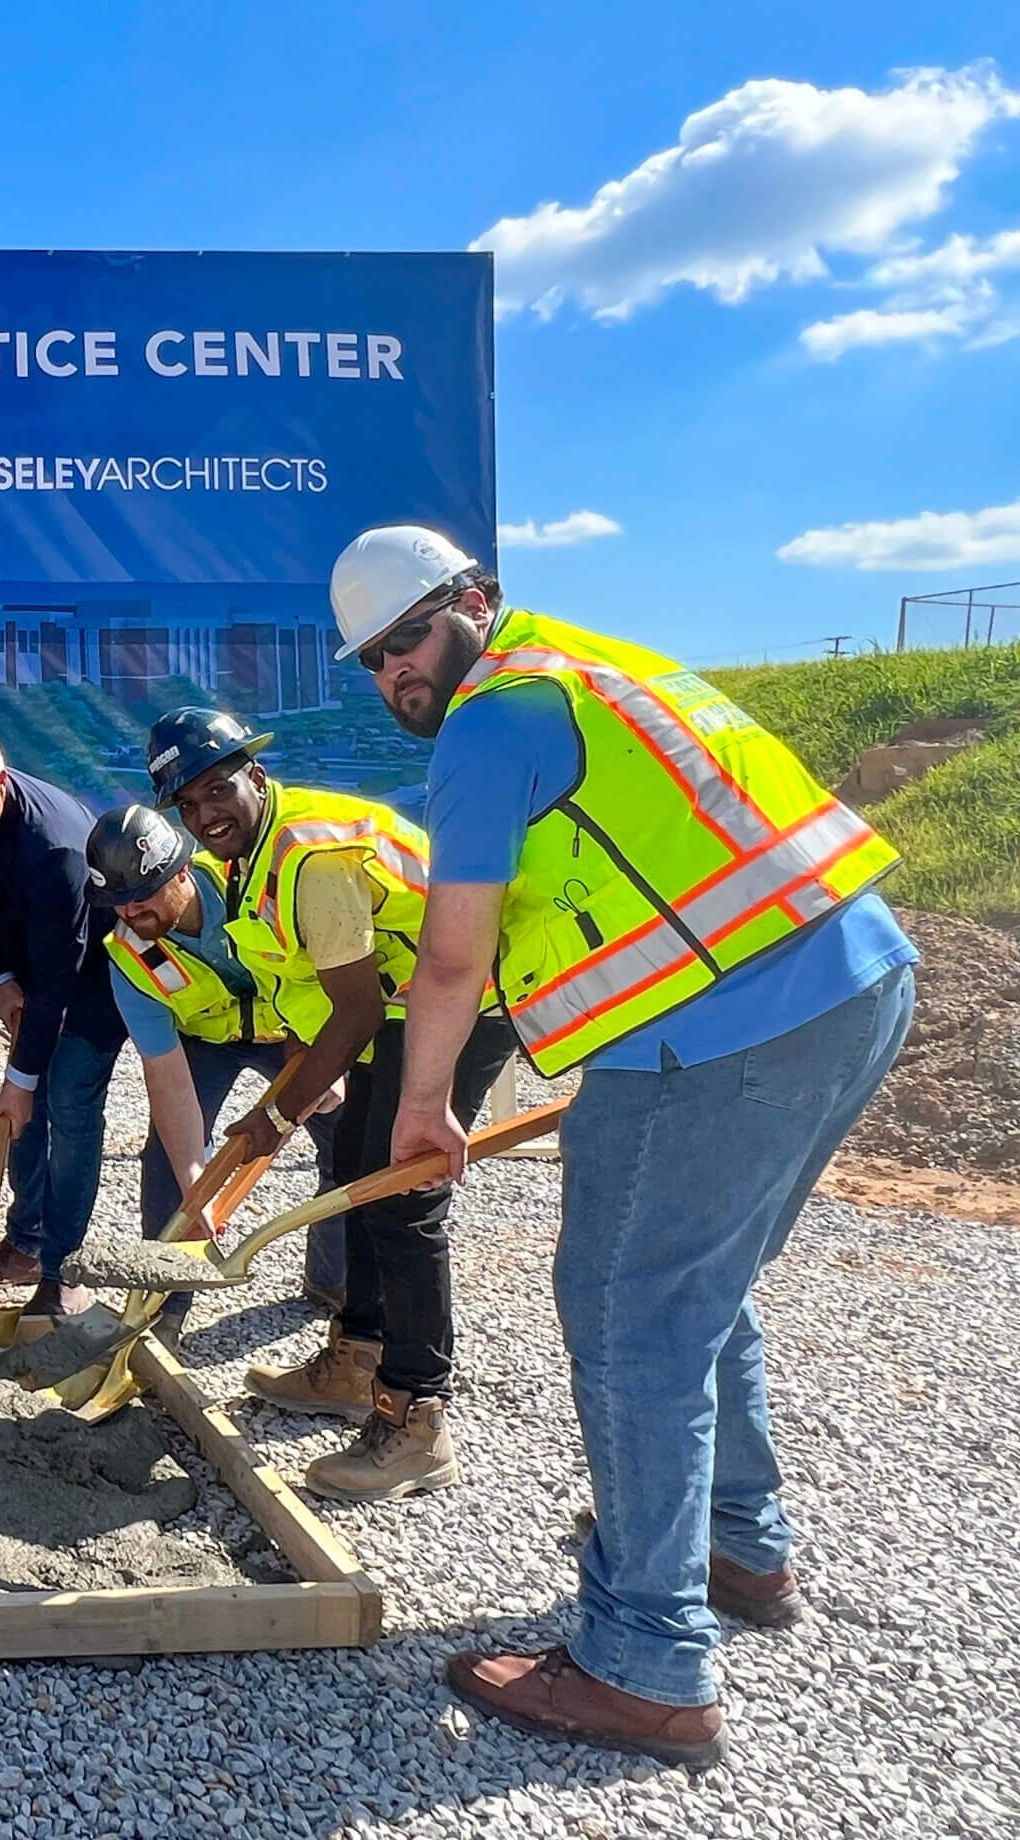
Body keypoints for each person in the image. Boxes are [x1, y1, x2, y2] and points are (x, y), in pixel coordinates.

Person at [334, 525, 917, 1767]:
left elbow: (453, 956)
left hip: (722, 1028)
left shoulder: (491, 723)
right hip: (850, 982)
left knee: (626, 1316)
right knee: (699, 1288)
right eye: (373, 660)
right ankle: (733, 1545)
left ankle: (647, 1664)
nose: (396, 673)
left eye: (409, 639)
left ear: (474, 603)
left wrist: (423, 1106)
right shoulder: (599, 668)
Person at [152, 705, 515, 1499]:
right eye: (188, 804)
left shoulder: (310, 856)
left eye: (218, 790)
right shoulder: (244, 861)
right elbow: (308, 984)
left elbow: (353, 1012)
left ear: (255, 776)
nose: (205, 815)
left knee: (403, 1197)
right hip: (398, 1006)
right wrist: (301, 1074)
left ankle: (417, 1417)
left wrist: (278, 1114)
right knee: (353, 1172)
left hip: (461, 1000)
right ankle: (358, 1357)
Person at [81, 802, 342, 1340]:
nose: (131, 913)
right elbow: (166, 1075)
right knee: (167, 1164)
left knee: (349, 1137)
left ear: (181, 872)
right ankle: (163, 1309)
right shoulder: (130, 958)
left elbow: (326, 973)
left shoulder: (252, 894)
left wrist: (328, 1061)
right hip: (206, 1042)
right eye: (119, 903)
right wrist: (194, 1185)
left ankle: (334, 1282)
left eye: (143, 896)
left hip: (292, 1030)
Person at [0, 725, 124, 1318]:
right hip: (32, 968)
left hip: (93, 983)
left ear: (1, 782)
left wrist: (21, 1078)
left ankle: (64, 1268)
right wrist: (4, 980)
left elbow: (60, 982)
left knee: (67, 1106)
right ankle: (28, 1240)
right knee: (24, 1118)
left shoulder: (53, 848)